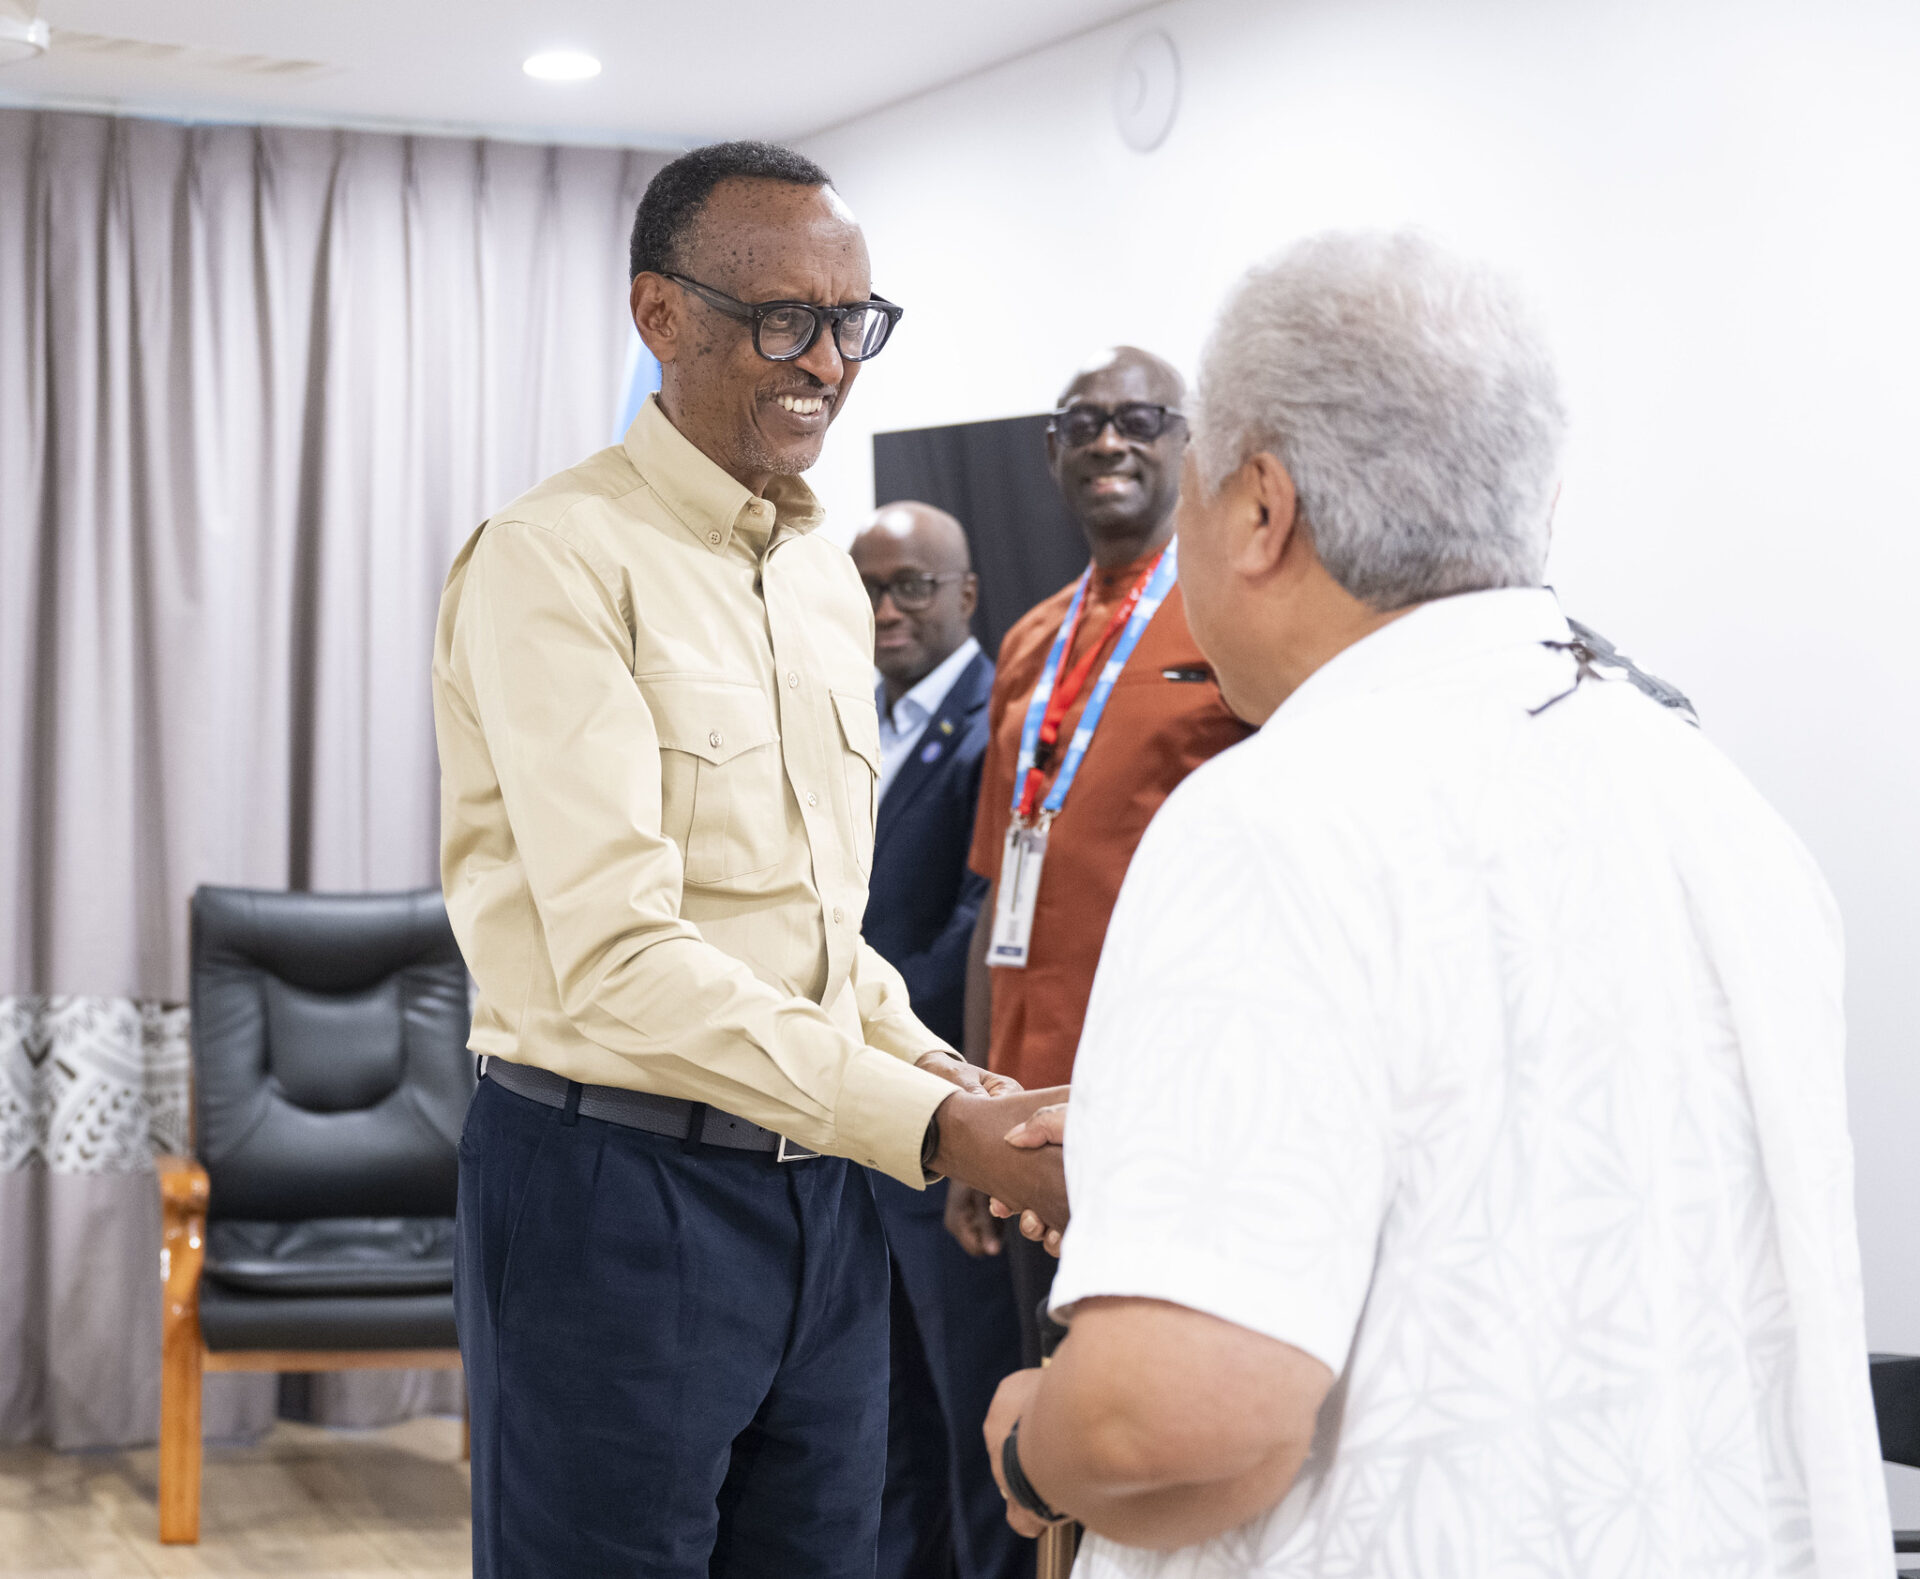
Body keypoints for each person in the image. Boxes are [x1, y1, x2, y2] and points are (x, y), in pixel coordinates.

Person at [983, 231, 1889, 1577]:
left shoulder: (1277, 819)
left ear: (1258, 508)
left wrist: (1027, 1433)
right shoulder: (1714, 801)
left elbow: (1173, 1415)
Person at [431, 140, 1065, 1579]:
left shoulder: (821, 582)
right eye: (786, 319)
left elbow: (824, 944)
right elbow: (625, 957)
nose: (829, 362)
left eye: (856, 322)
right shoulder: (553, 560)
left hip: (819, 1193)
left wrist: (966, 1088)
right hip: (612, 1185)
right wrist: (924, 1127)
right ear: (661, 314)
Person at [952, 347, 1252, 1365]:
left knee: (1138, 1398)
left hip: (1163, 1096)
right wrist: (975, 1105)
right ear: (1052, 452)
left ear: (1189, 443)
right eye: (1084, 424)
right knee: (1031, 1415)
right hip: (1031, 1103)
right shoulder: (1030, 642)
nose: (1110, 441)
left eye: (1139, 418)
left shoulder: (1235, 625)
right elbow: (999, 887)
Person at [850, 502, 1030, 1579]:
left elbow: (979, 914)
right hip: (850, 1121)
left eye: (911, 585)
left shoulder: (1000, 712)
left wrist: (860, 1023)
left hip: (937, 1099)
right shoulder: (848, 712)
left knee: (968, 1416)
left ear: (966, 596)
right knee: (880, 1428)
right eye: (866, 586)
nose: (883, 608)